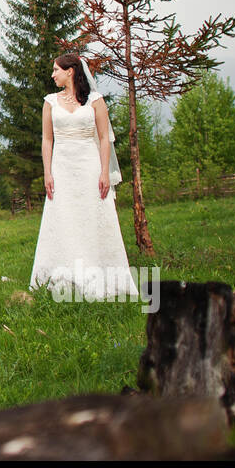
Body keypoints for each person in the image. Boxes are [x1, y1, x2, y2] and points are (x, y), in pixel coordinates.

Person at [29, 53, 139, 300]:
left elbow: (103, 138)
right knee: (63, 215)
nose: (52, 74)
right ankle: (64, 272)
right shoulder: (50, 102)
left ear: (70, 71)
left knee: (92, 214)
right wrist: (47, 172)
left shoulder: (95, 101)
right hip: (62, 167)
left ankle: (99, 271)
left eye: (56, 69)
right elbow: (47, 140)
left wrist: (104, 171)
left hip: (89, 165)